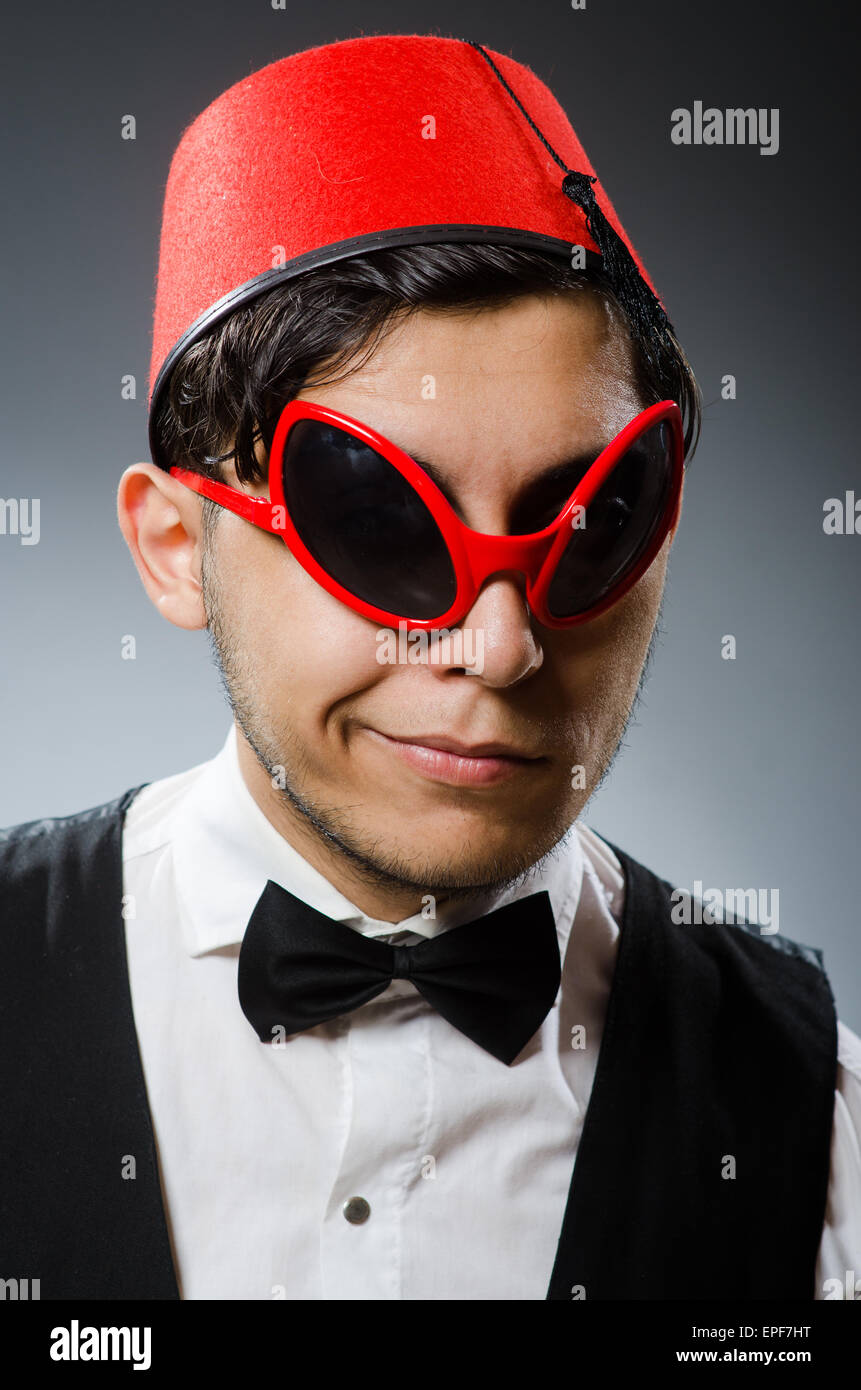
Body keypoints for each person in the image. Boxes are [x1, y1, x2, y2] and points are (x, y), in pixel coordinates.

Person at [2, 33, 859, 1302]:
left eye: (594, 522)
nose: (501, 647)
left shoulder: (817, 1123)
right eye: (382, 523)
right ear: (178, 548)